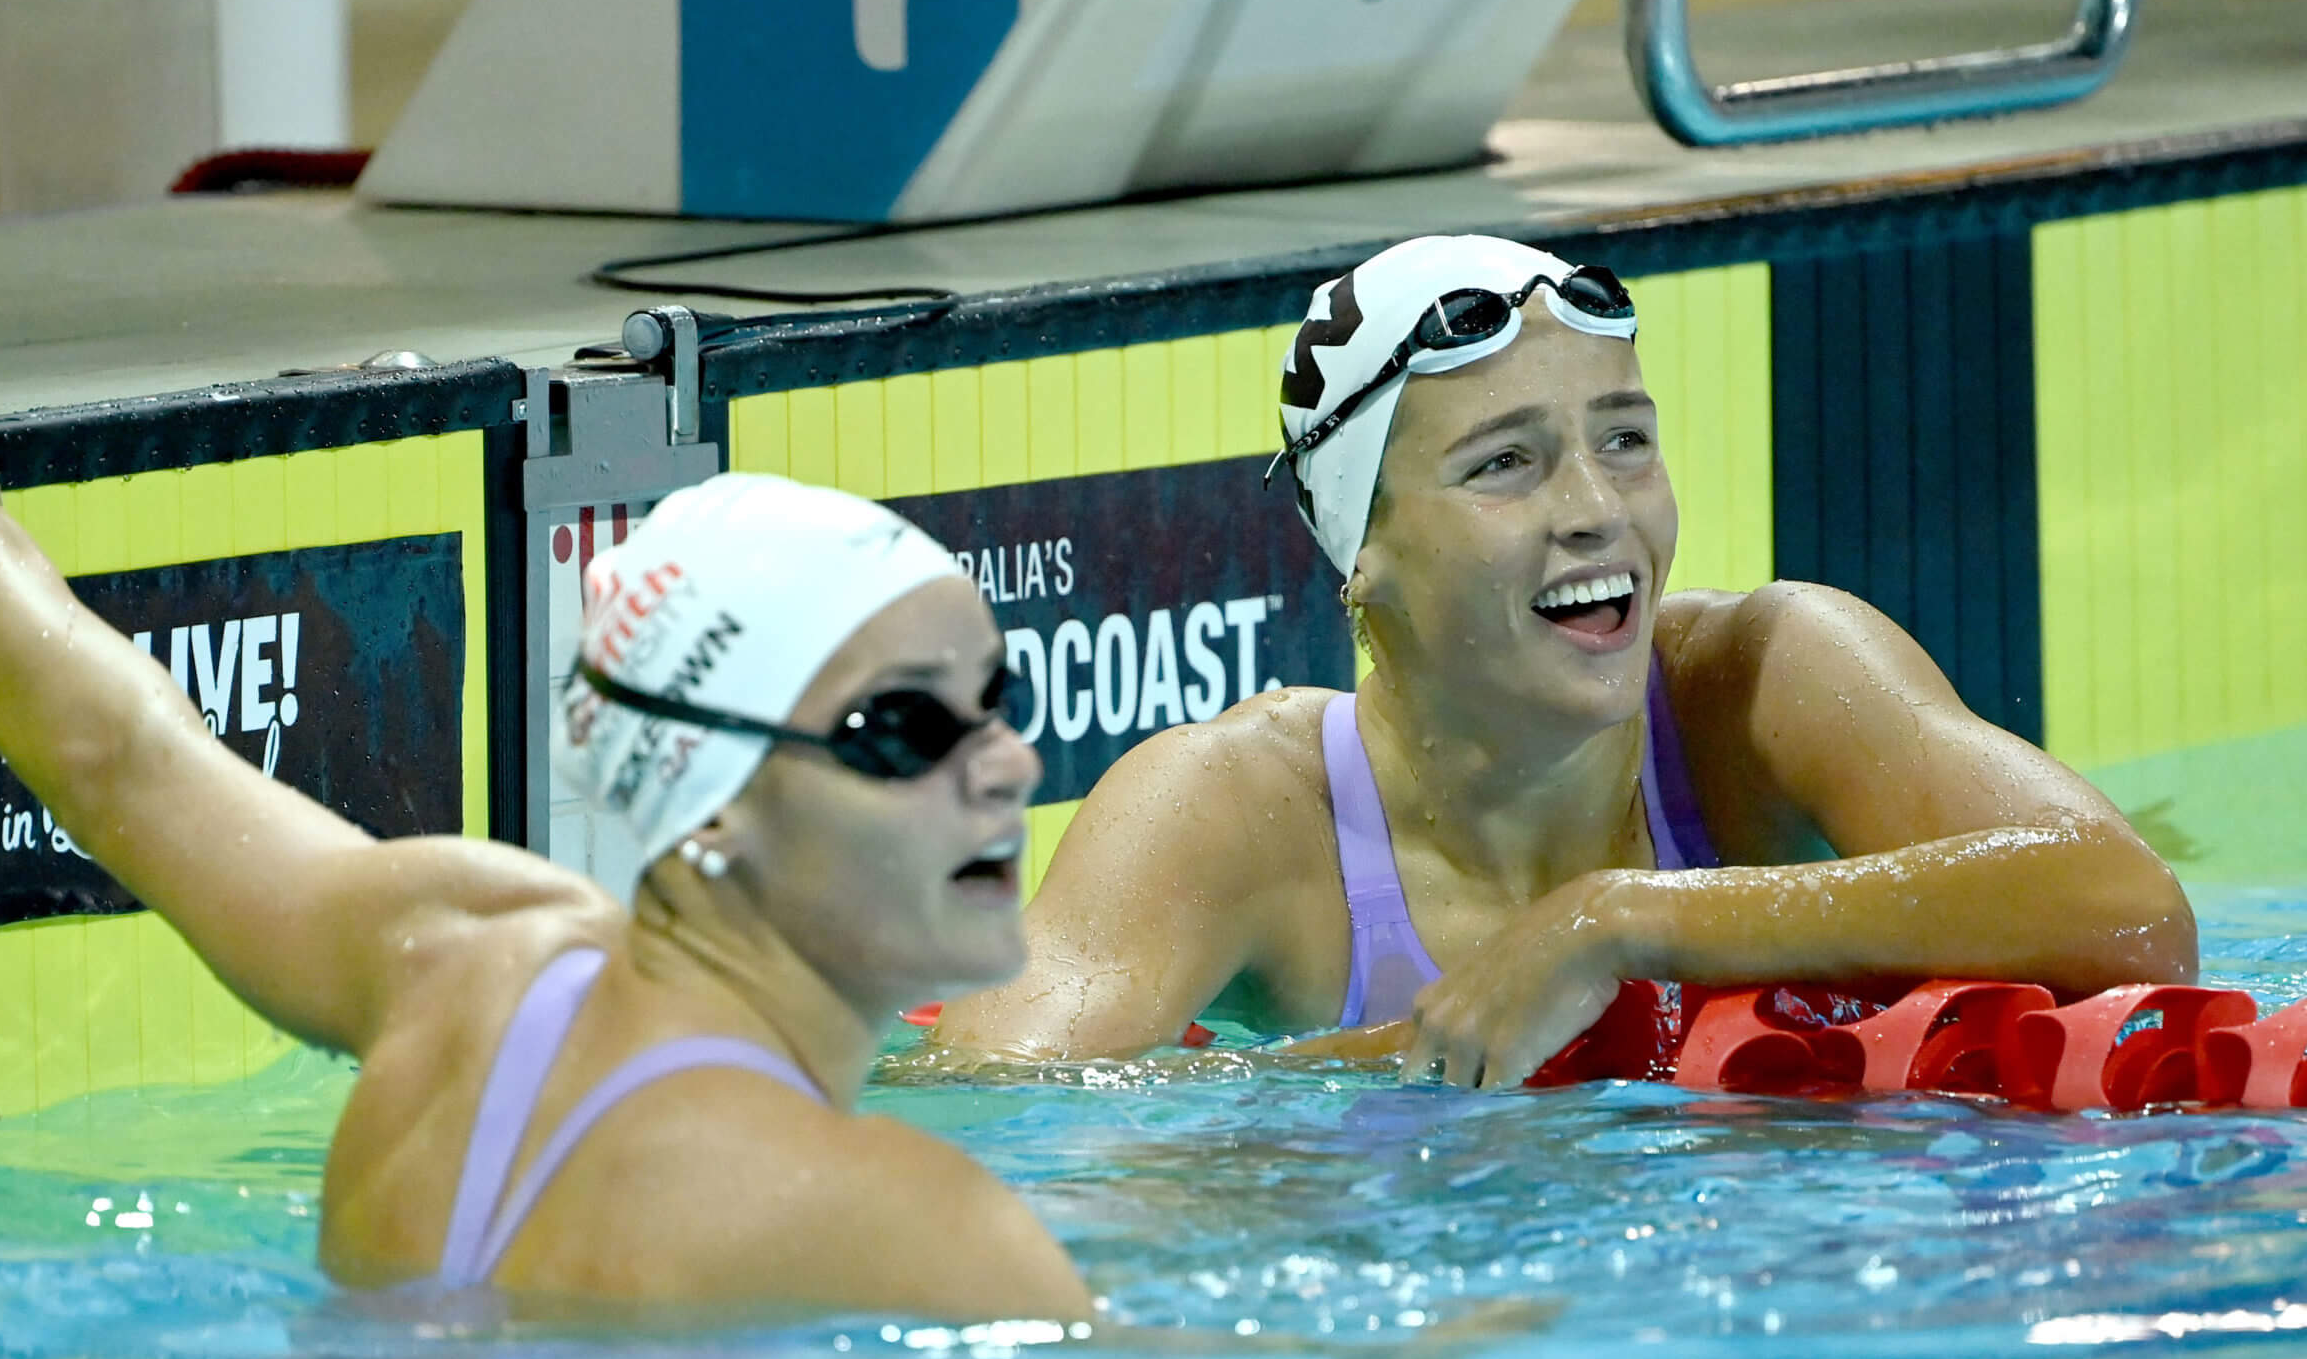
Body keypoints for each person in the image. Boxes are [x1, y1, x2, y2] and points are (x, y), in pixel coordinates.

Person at [0, 389, 1090, 1321]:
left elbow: (130, 764)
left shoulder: (465, 961)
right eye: (905, 726)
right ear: (707, 799)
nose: (1007, 764)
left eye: (999, 700)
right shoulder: (915, 1224)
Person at [934, 234, 2194, 1081]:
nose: (1596, 508)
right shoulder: (1244, 807)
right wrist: (1380, 1064)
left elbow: (2128, 911)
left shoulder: (1764, 678)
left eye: (1626, 439)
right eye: (1505, 462)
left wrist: (1618, 922)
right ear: (1360, 547)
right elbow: (1004, 1102)